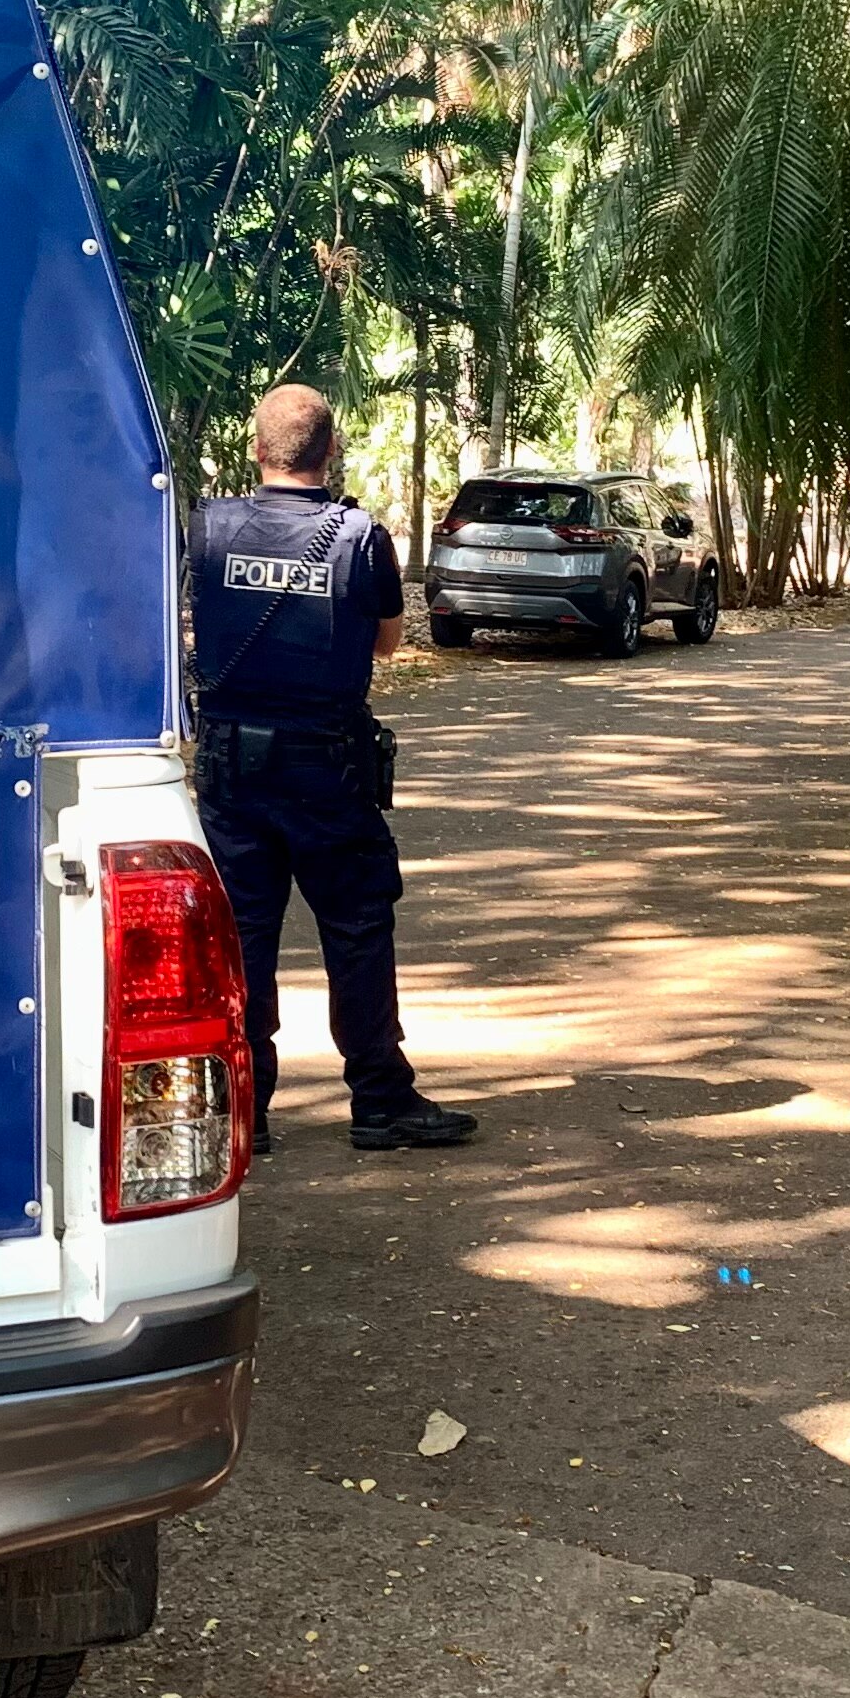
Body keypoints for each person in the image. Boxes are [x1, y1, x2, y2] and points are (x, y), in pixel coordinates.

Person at [188, 384, 478, 1155]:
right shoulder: (360, 538)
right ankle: (380, 1101)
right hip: (328, 773)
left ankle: (243, 1112)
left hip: (230, 773)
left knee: (242, 936)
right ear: (331, 452)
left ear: (258, 450)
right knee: (355, 929)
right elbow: (385, 644)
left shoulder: (209, 531)